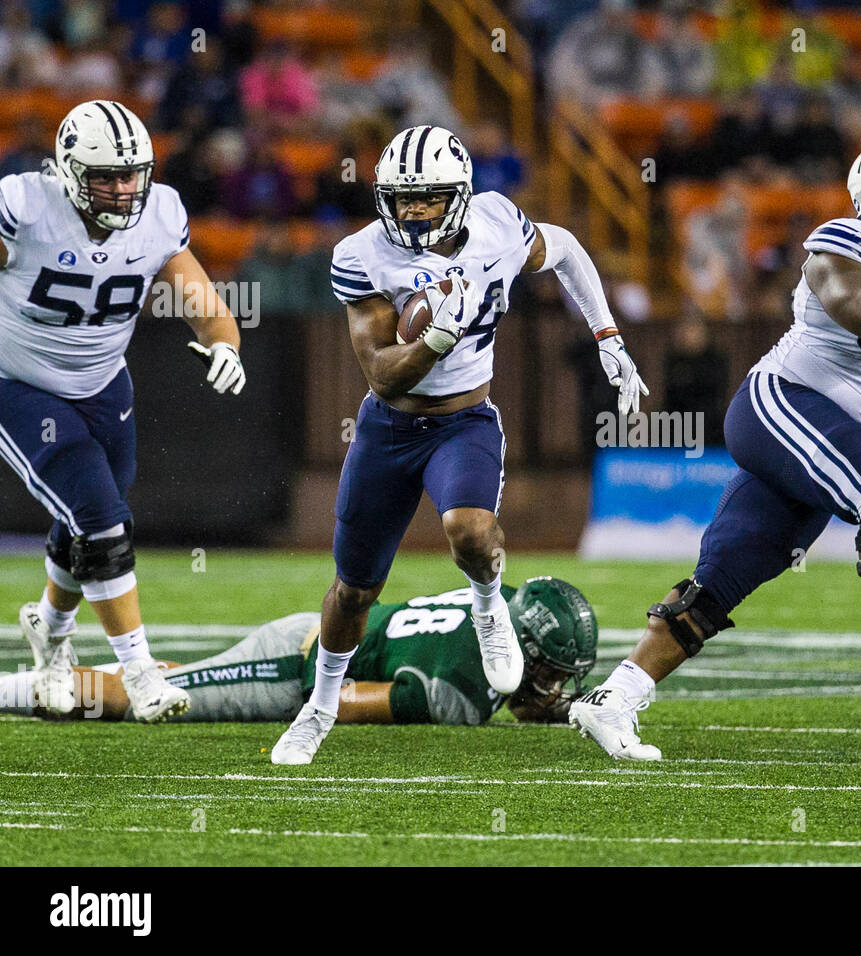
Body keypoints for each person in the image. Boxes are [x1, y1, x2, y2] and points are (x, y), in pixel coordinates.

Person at [569, 134, 861, 762]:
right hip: (782, 403)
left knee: (721, 580)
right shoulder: (848, 242)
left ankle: (613, 698)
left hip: (818, 426)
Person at [272, 125, 647, 765]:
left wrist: (608, 336)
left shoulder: (498, 222)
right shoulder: (362, 255)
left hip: (465, 421)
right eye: (401, 199)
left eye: (428, 198)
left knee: (471, 531)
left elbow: (567, 250)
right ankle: (321, 707)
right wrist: (436, 341)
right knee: (354, 590)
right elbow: (382, 373)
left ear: (462, 195)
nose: (412, 212)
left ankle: (487, 604)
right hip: (389, 428)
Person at [1, 100, 248, 727]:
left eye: (131, 174)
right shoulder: (26, 207)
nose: (122, 188)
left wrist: (225, 343)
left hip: (104, 383)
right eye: (106, 176)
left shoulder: (160, 212)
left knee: (93, 513)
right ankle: (139, 673)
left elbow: (202, 296)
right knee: (103, 519)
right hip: (20, 381)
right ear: (69, 171)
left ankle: (51, 636)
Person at [3, 578, 597, 729]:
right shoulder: (461, 691)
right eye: (545, 671)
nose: (547, 688)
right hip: (301, 664)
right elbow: (334, 701)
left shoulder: (501, 599)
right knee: (150, 699)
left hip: (323, 633)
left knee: (179, 678)